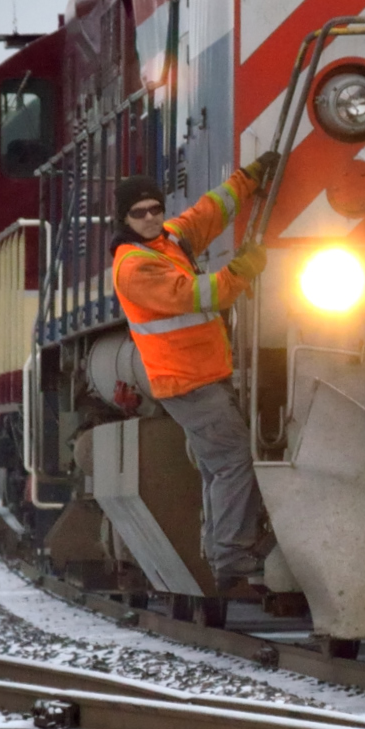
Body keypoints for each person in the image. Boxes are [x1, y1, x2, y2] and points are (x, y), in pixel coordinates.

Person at [110, 161, 275, 594]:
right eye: (139, 213)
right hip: (187, 382)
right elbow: (198, 295)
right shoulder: (135, 266)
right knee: (234, 459)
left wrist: (248, 178)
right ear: (124, 219)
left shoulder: (168, 241)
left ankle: (221, 551)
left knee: (216, 466)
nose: (150, 217)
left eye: (155, 208)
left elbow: (207, 213)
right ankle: (231, 555)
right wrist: (240, 271)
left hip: (200, 376)